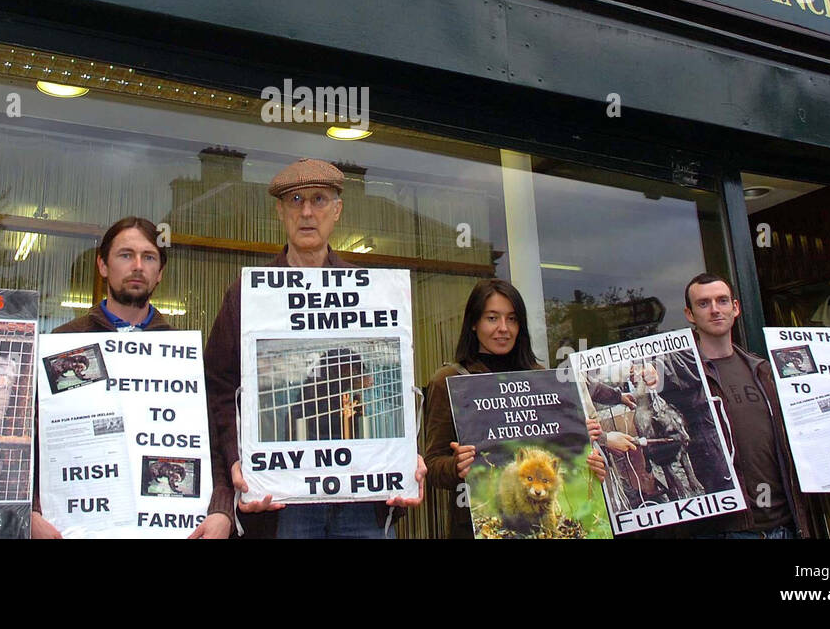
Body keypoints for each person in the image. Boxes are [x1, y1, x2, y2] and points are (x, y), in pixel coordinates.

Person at [202, 157, 426, 539]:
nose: (307, 211)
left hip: (362, 497)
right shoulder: (248, 294)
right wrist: (237, 456)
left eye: (319, 199)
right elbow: (219, 386)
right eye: (295, 200)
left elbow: (395, 385)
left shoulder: (372, 293)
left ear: (337, 210)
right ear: (280, 211)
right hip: (282, 498)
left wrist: (404, 454)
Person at [33, 216, 234, 538]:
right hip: (77, 527)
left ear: (160, 274)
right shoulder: (66, 343)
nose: (138, 266)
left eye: (149, 257)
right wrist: (32, 510)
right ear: (102, 265)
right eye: (125, 255)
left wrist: (221, 511)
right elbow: (33, 440)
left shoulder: (183, 355)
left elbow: (210, 447)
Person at [680, 272, 830, 538]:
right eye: (704, 303)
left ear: (735, 308)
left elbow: (819, 427)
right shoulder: (683, 379)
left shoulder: (766, 373)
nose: (715, 309)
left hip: (784, 527)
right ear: (690, 314)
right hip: (721, 530)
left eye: (722, 301)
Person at [423, 279, 605, 538]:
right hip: (480, 528)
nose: (503, 329)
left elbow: (558, 443)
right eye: (492, 318)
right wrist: (456, 466)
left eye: (512, 319)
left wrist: (584, 444)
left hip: (542, 526)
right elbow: (431, 466)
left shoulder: (541, 377)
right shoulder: (449, 381)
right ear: (473, 323)